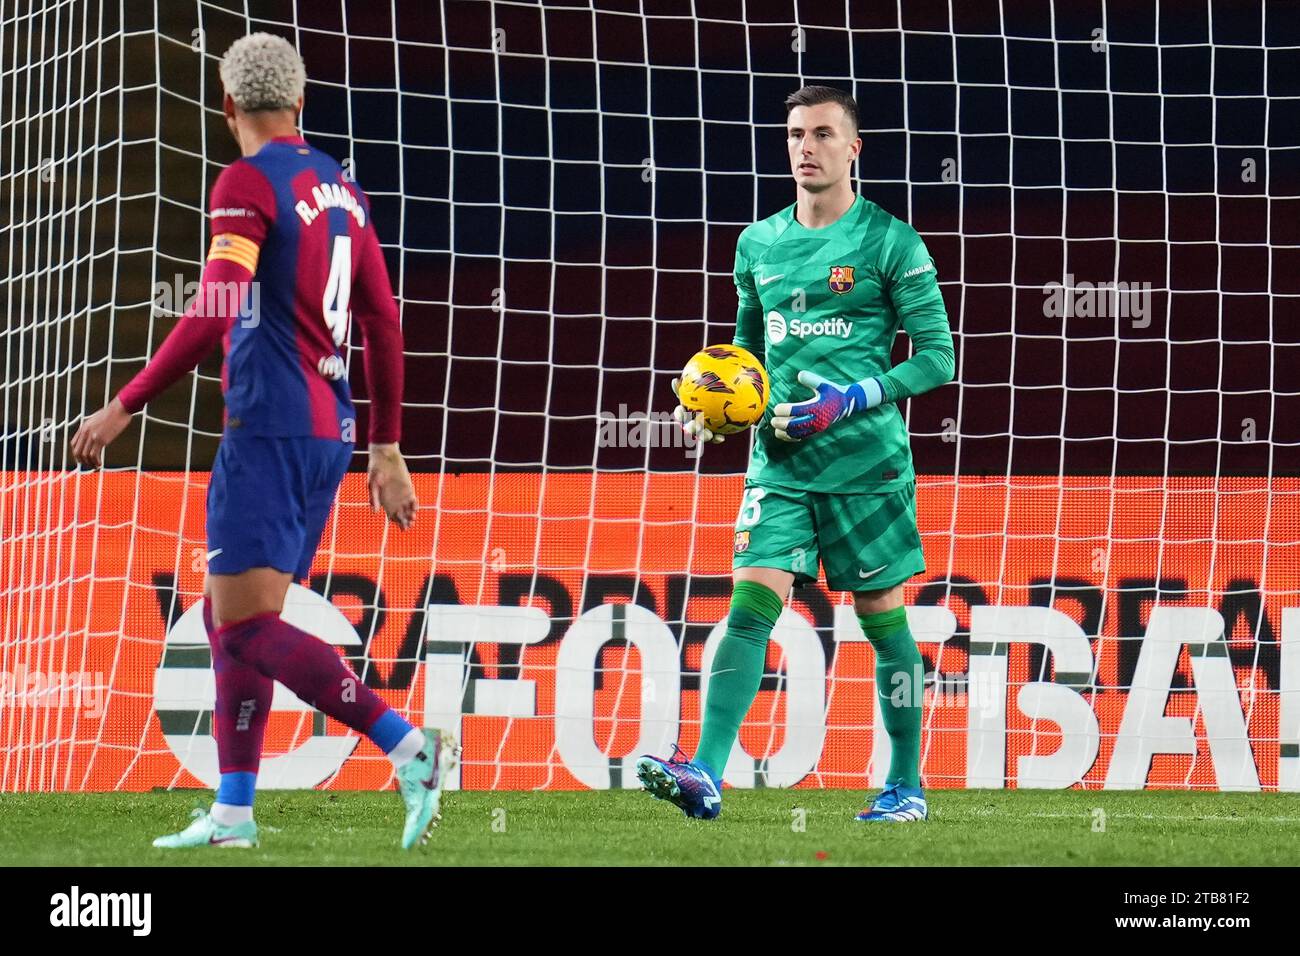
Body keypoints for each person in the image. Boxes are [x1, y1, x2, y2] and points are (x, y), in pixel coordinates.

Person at [70, 33, 453, 850]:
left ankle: (409, 748)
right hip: (328, 435)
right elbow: (384, 323)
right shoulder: (344, 191)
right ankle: (234, 812)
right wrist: (384, 447)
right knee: (234, 619)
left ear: (228, 106)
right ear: (302, 102)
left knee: (243, 628)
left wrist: (125, 405)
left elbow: (215, 307)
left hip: (270, 429)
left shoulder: (247, 183)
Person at [638, 85, 955, 823]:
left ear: (853, 149)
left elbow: (939, 358)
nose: (804, 147)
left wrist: (854, 398)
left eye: (820, 133)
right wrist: (713, 406)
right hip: (778, 461)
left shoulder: (890, 241)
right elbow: (746, 350)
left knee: (882, 617)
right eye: (793, 135)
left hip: (866, 466)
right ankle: (706, 772)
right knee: (750, 606)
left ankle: (905, 784)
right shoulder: (758, 244)